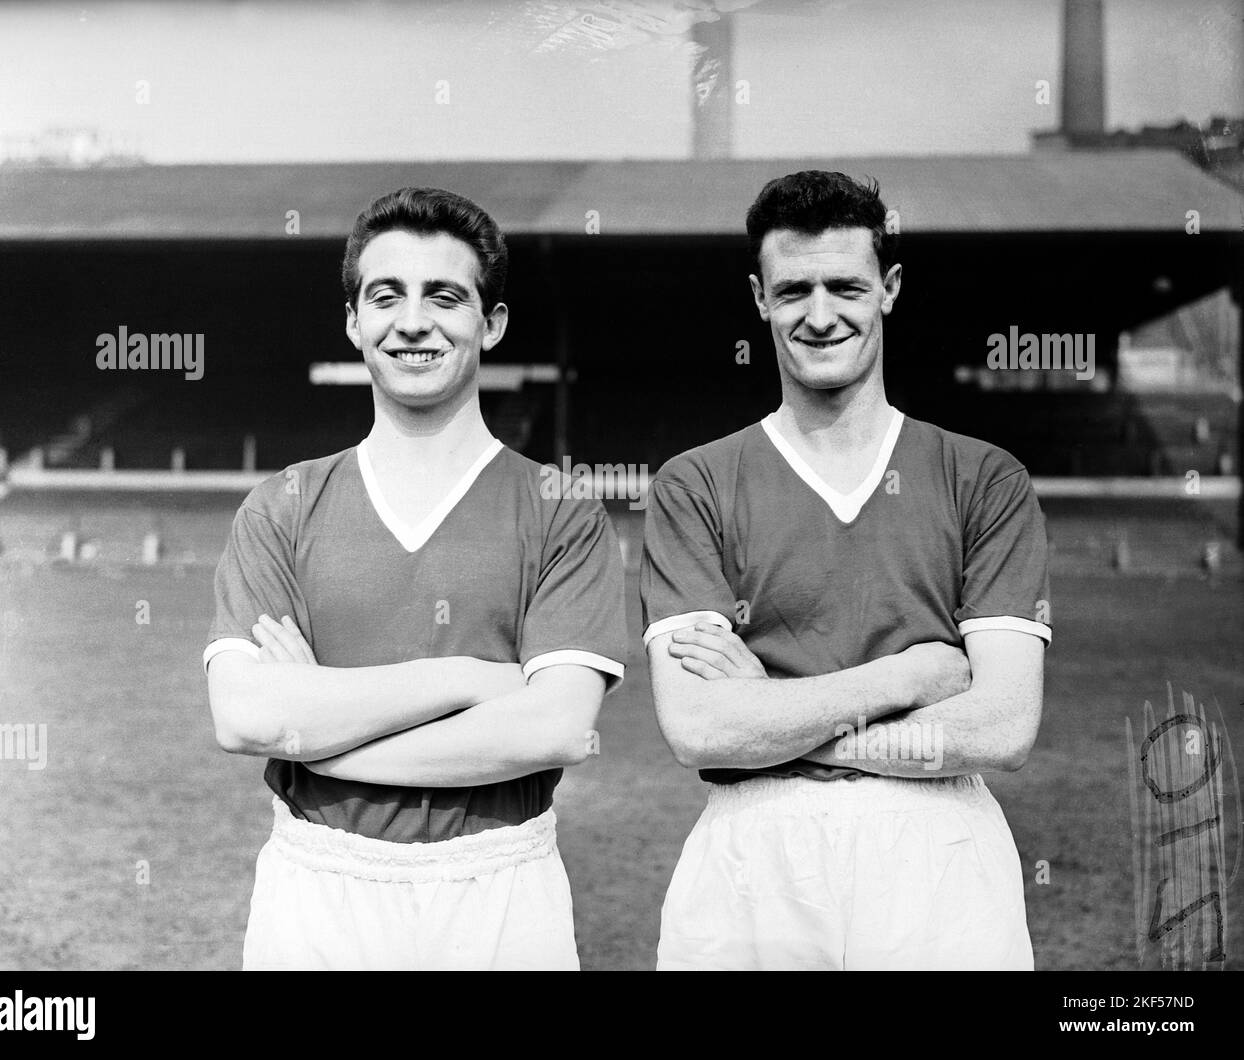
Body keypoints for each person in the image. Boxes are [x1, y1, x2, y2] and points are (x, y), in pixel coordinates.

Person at [204, 186, 626, 970]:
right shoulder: (284, 505)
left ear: (490, 322)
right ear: (353, 321)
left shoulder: (559, 509)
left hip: (499, 889)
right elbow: (245, 715)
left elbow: (556, 728)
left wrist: (322, 741)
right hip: (318, 890)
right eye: (385, 296)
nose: (413, 322)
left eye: (445, 296)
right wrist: (466, 678)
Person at [640, 170, 1050, 970]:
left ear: (889, 288)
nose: (820, 315)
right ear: (759, 298)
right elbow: (699, 729)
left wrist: (770, 716)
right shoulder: (695, 483)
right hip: (751, 858)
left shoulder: (984, 478)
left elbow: (1003, 727)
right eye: (793, 289)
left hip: (936, 848)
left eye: (846, 287)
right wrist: (909, 676)